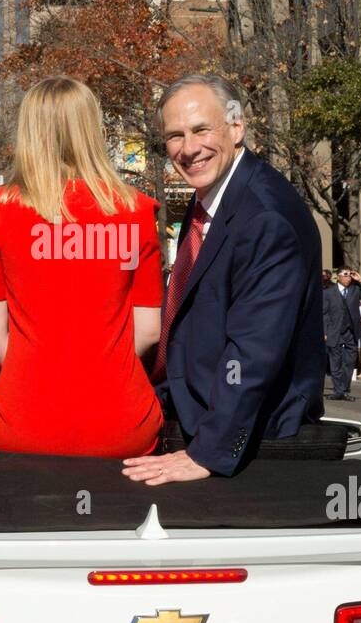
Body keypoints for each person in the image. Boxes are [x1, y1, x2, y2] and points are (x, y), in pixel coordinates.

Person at [122, 73, 324, 485]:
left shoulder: (265, 217)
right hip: (195, 416)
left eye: (200, 130)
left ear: (236, 127)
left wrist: (208, 454)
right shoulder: (209, 202)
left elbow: (254, 351)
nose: (188, 149)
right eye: (175, 136)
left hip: (250, 441)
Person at [0, 76, 162, 458]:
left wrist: (39, 370)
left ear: (29, 133)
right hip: (123, 423)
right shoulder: (135, 211)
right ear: (91, 130)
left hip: (22, 423)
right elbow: (148, 331)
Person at [322, 268, 361, 402]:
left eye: (350, 275)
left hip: (351, 331)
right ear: (338, 277)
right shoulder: (328, 293)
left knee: (350, 361)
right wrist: (325, 332)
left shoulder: (355, 290)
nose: (348, 278)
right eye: (345, 275)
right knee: (335, 362)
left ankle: (345, 389)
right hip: (334, 331)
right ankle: (338, 391)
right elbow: (324, 314)